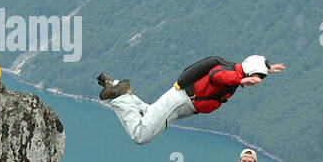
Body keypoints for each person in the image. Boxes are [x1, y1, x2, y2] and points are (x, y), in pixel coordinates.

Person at [97, 54, 286, 145]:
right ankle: (120, 96)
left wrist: (267, 68)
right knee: (141, 135)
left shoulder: (235, 69)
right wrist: (241, 79)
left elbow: (245, 69)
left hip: (183, 102)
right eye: (256, 78)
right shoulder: (228, 73)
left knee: (148, 113)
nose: (256, 83)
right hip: (181, 101)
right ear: (249, 73)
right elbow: (215, 77)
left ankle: (116, 85)